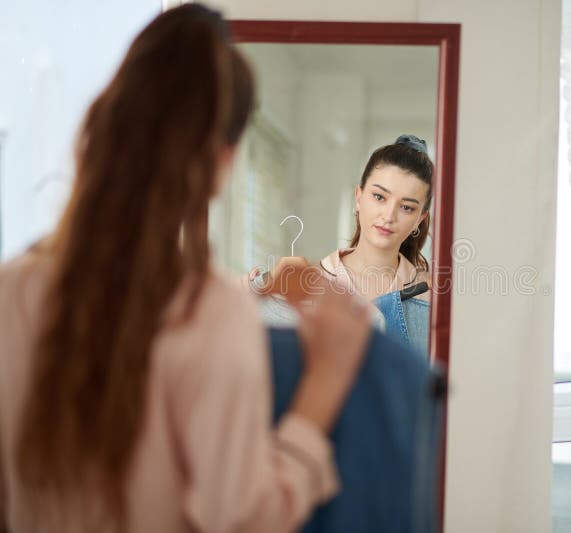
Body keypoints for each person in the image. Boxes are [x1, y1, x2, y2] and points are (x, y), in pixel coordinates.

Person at [0, 5, 370, 532]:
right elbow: (245, 520)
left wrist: (263, 285)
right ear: (223, 161)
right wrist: (325, 384)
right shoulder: (208, 312)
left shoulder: (12, 290)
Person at [320, 135, 434, 303]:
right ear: (359, 197)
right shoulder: (311, 282)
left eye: (407, 207)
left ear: (420, 219)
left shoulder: (431, 295)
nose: (389, 216)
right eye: (379, 197)